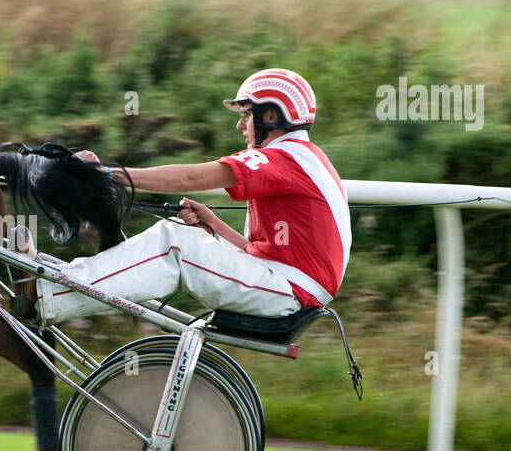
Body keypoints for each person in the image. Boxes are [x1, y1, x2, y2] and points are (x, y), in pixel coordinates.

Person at [24, 68, 350, 324]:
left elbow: (189, 178)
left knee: (175, 243)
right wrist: (215, 225)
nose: (240, 126)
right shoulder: (302, 157)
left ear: (270, 117)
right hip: (288, 285)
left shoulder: (282, 158)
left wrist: (106, 175)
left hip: (290, 291)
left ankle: (48, 292)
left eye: (246, 115)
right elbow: (260, 253)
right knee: (179, 239)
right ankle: (61, 281)